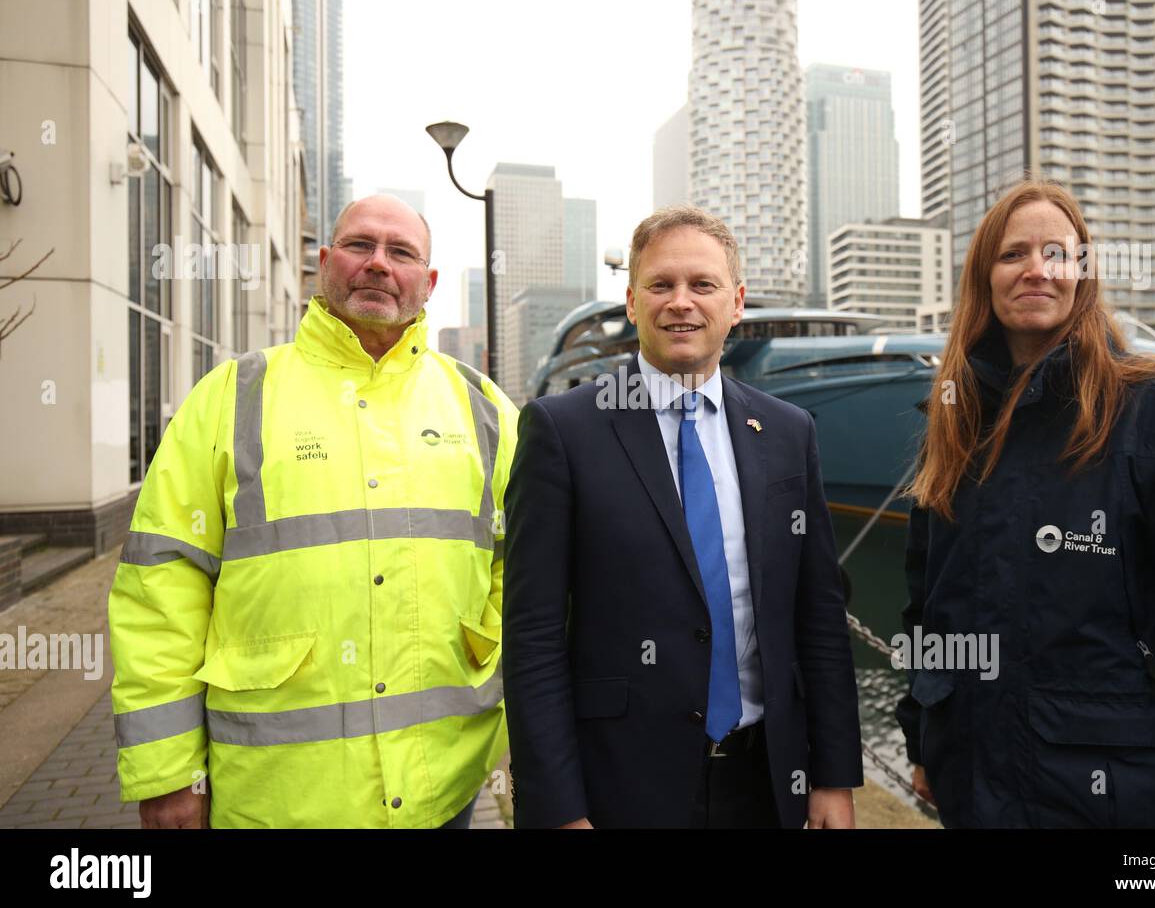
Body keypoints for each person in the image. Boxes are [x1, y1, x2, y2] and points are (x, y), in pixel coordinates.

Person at [109, 194, 517, 828]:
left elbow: (516, 572)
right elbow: (161, 587)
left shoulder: (483, 407)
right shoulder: (232, 397)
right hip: (279, 798)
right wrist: (168, 774)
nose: (379, 264)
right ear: (324, 263)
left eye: (401, 252)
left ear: (429, 282)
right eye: (360, 246)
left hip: (443, 786)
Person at [895, 180, 1155, 827]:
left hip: (1108, 803)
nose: (1037, 270)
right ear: (983, 277)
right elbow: (928, 607)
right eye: (1013, 254)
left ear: (1084, 271)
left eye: (1057, 252)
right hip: (973, 788)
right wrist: (924, 735)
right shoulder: (958, 422)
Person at [503, 205, 862, 828]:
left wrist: (833, 775)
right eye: (661, 285)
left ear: (737, 302)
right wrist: (558, 809)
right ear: (633, 302)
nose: (681, 303)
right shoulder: (564, 430)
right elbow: (532, 637)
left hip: (765, 782)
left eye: (702, 285)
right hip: (620, 788)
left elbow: (818, 614)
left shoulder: (787, 431)